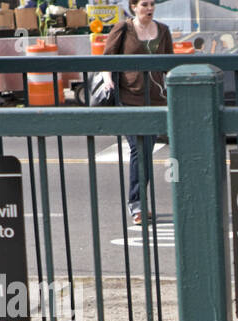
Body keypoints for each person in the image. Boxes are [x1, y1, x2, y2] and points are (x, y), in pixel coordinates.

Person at [102, 0, 173, 225]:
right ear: (133, 7)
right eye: (144, 4)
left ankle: (139, 203)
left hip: (154, 99)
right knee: (138, 150)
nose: (149, 8)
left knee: (146, 151)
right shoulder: (123, 29)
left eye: (152, 4)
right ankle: (137, 205)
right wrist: (107, 80)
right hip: (129, 97)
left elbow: (170, 63)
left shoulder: (162, 30)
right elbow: (107, 58)